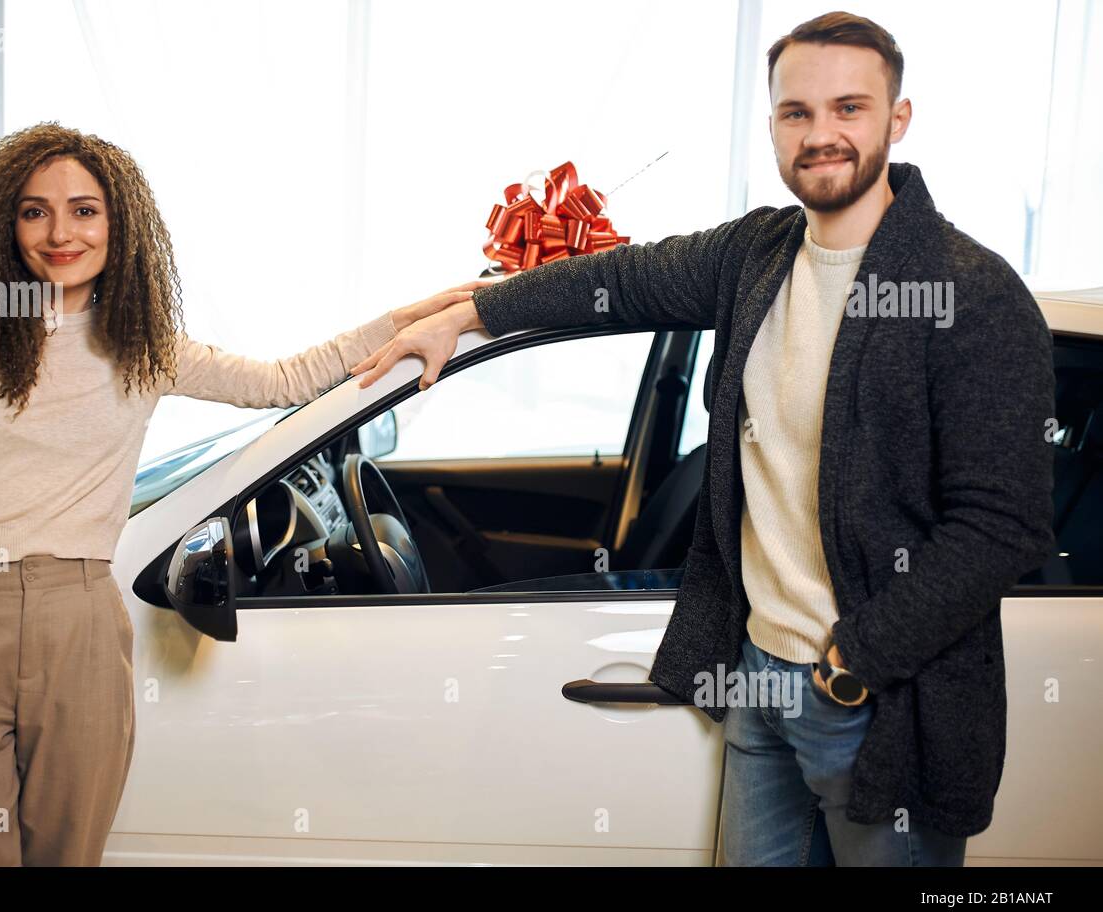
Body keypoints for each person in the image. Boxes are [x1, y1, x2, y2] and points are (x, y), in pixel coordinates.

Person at [351, 12, 1057, 865]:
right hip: (757, 676)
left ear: (895, 121)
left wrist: (852, 664)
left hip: (877, 704)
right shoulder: (758, 254)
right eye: (796, 113)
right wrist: (469, 314)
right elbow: (618, 279)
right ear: (772, 127)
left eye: (849, 109)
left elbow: (1000, 527)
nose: (821, 134)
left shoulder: (969, 293)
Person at [0, 122, 478, 866]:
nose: (61, 232)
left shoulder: (142, 344)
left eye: (85, 211)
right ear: (3, 222)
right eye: (35, 211)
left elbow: (281, 381)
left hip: (79, 621)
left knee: (65, 856)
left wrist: (426, 318)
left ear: (119, 225)